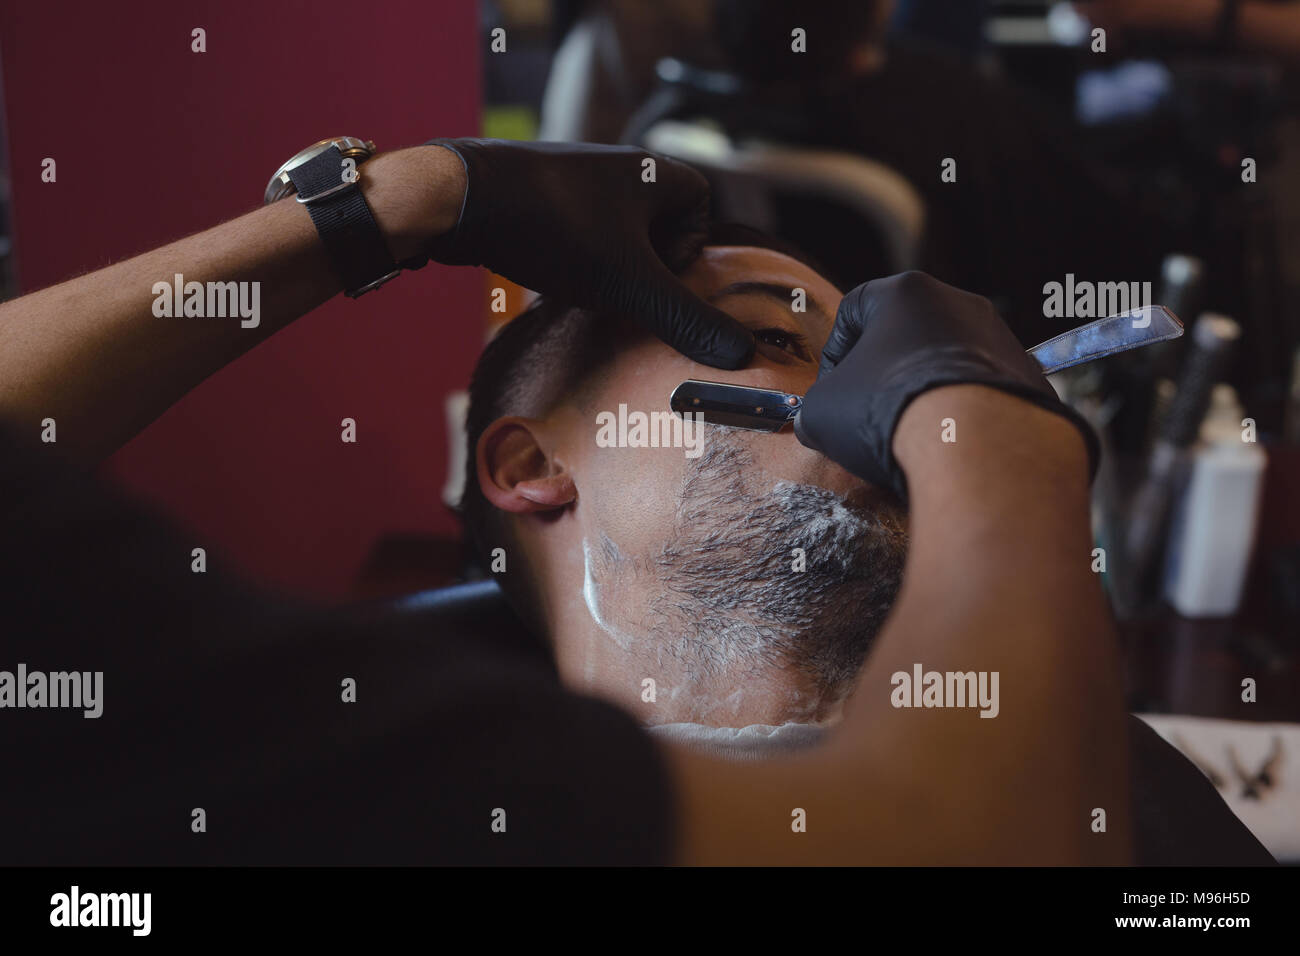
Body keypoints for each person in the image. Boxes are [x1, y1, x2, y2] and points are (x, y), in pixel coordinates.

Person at [0, 137, 1240, 865]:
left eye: (883, 366)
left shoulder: (1139, 794)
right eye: (768, 333)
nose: (875, 399)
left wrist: (402, 203)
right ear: (529, 466)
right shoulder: (386, 778)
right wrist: (996, 428)